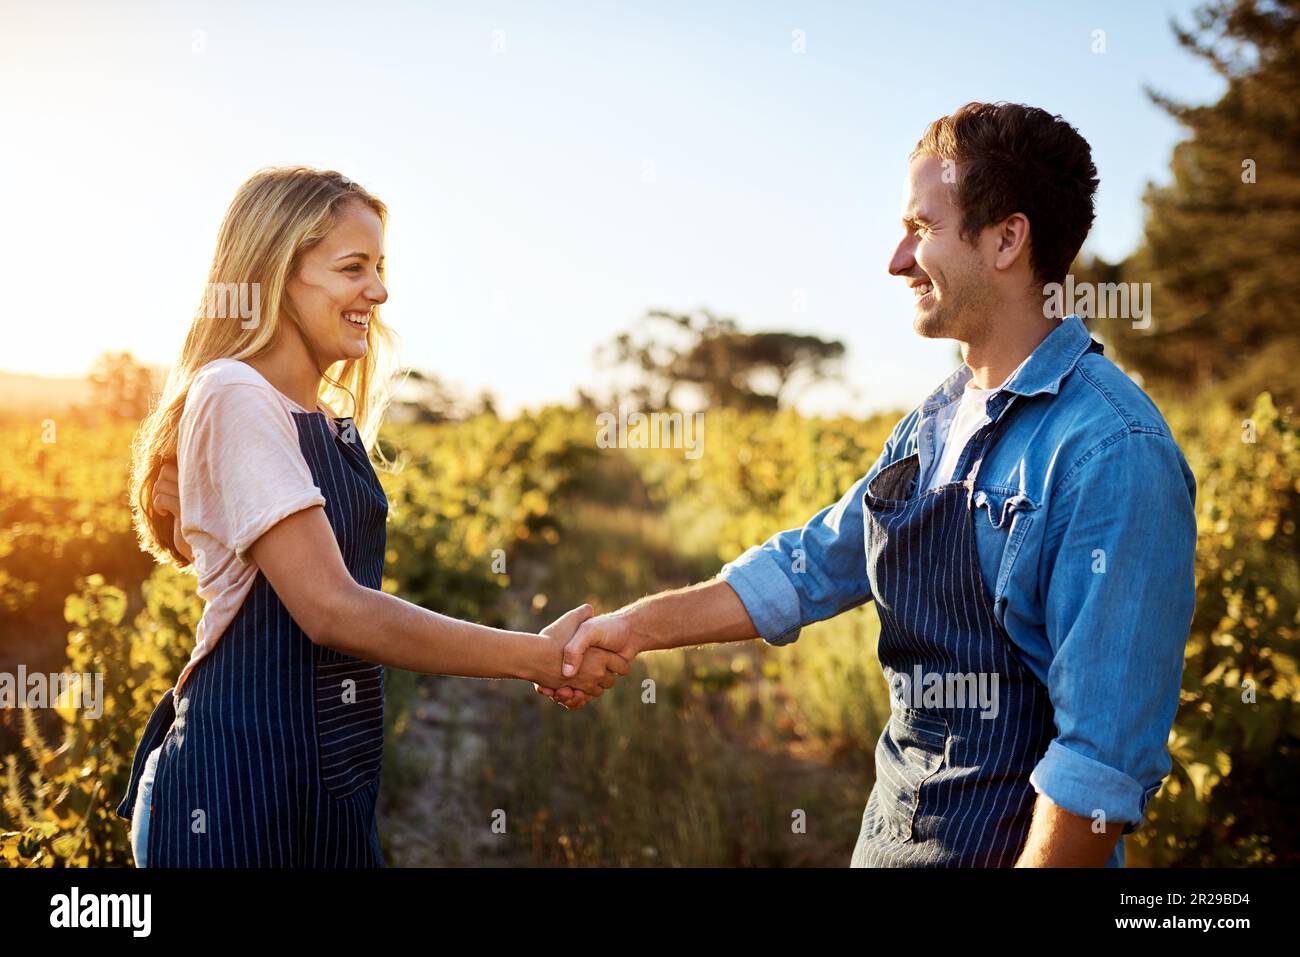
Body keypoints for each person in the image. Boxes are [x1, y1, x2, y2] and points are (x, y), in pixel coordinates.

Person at [542, 102, 1198, 868]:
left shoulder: (1113, 451)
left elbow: (1098, 767)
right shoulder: (933, 421)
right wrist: (635, 627)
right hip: (891, 839)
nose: (897, 259)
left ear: (1006, 239)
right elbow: (813, 563)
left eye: (921, 228)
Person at [117, 166, 629, 868]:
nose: (379, 291)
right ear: (274, 274)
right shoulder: (236, 392)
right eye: (353, 267)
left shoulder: (325, 419)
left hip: (329, 780)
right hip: (234, 787)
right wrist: (535, 656)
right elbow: (333, 609)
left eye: (381, 267)